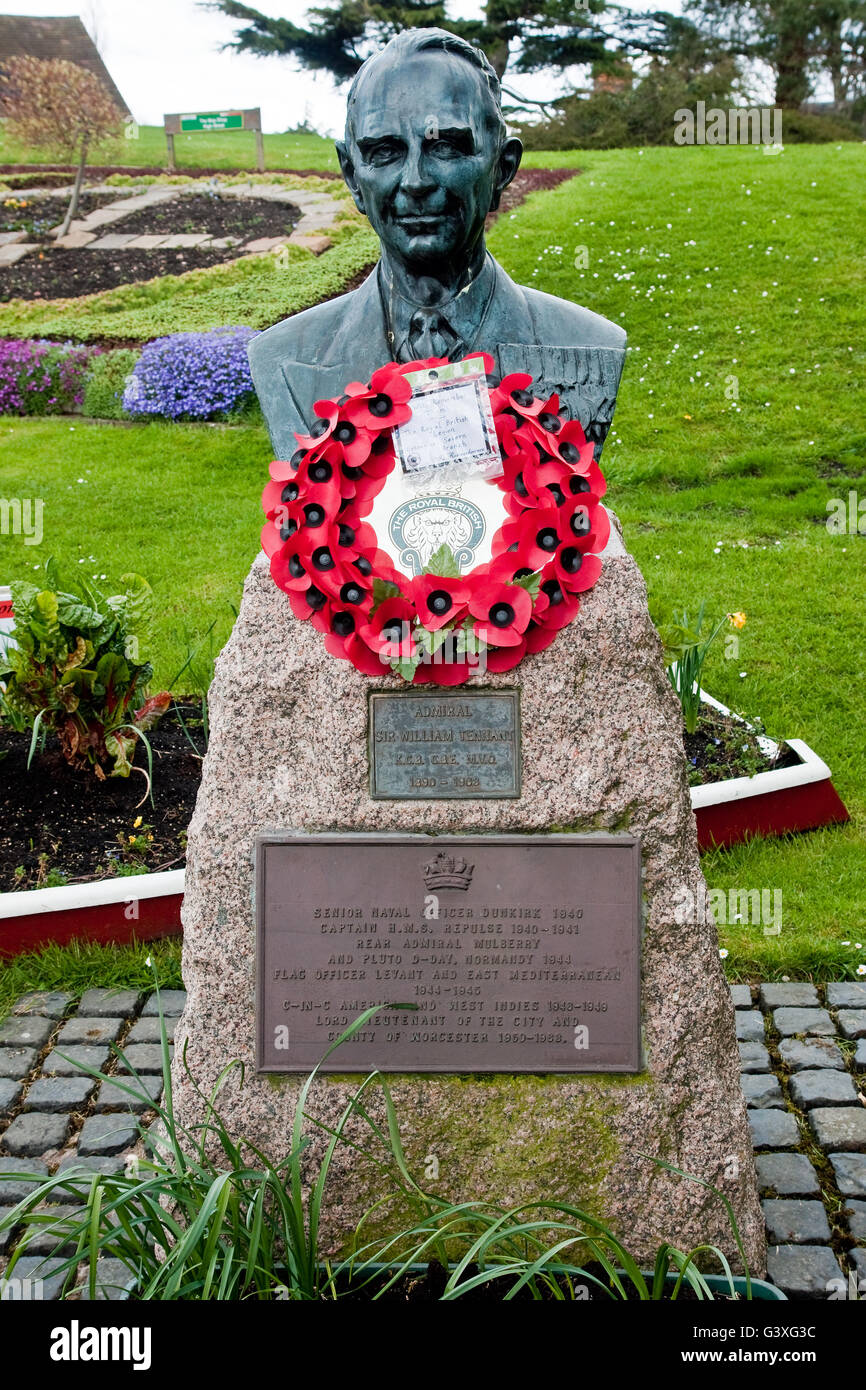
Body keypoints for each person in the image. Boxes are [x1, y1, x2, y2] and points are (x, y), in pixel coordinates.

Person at [249, 28, 626, 458]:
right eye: (385, 152)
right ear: (353, 178)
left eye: (445, 147)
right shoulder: (281, 357)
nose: (415, 182)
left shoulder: (587, 346)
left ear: (502, 168)